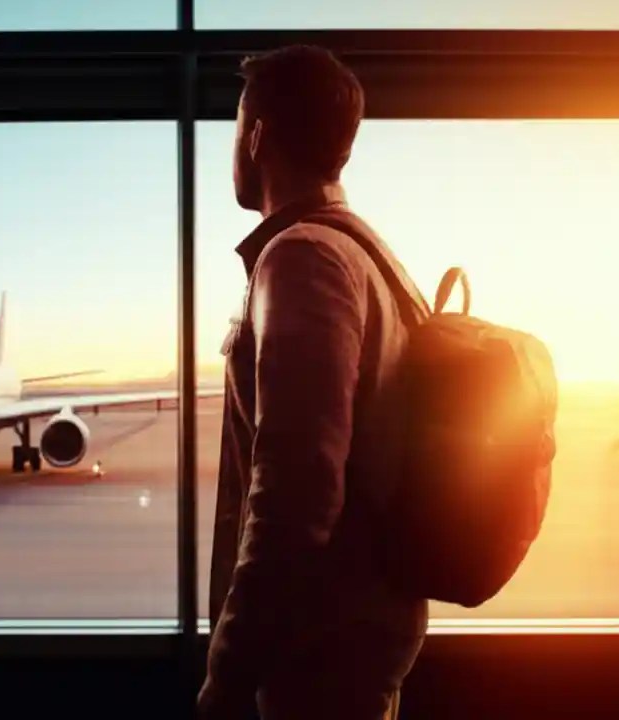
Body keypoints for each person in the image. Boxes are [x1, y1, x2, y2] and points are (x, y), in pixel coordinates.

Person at [198, 45, 430, 720]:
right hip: (360, 635)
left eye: (236, 127)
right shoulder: (371, 256)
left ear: (257, 135)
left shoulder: (301, 256)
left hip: (316, 653)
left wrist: (230, 671)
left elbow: (295, 493)